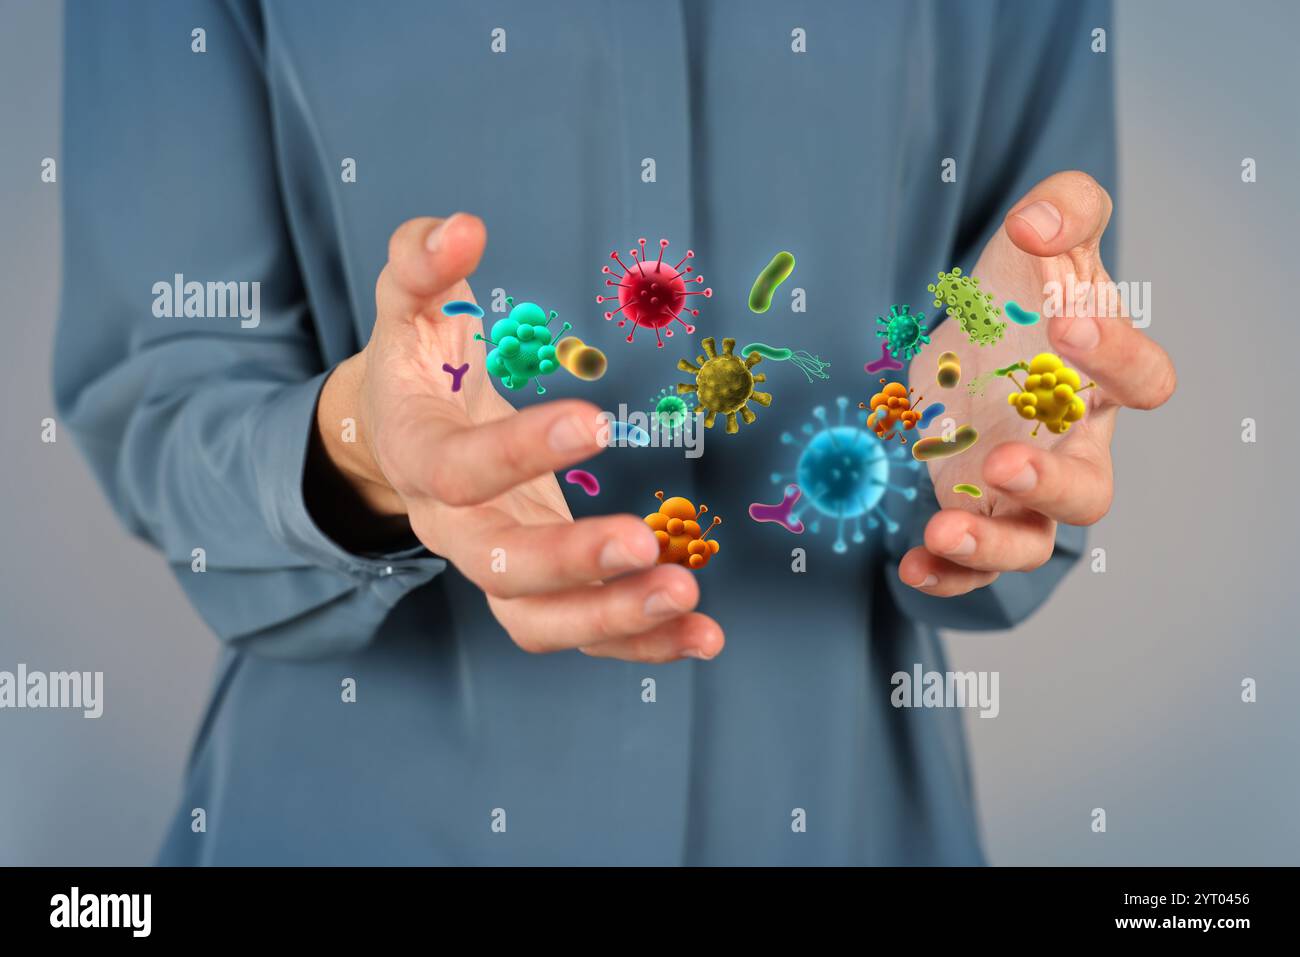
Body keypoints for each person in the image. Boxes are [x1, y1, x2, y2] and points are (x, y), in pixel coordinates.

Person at [55, 0, 1173, 864]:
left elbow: (1013, 319)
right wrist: (362, 447)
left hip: (845, 816)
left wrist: (999, 444)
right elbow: (161, 383)